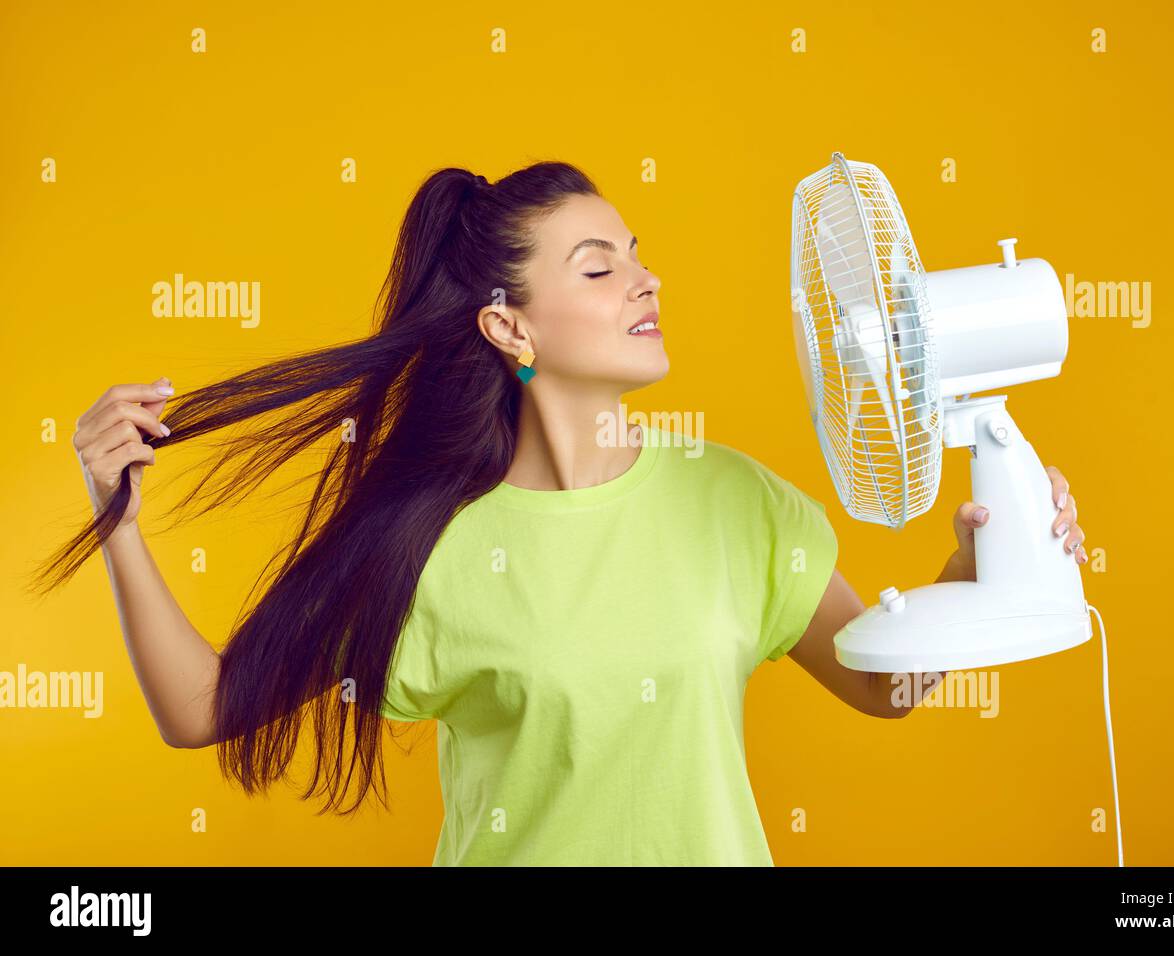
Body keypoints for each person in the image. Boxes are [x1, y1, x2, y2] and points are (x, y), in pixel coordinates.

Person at [35, 161, 1088, 865]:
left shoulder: (736, 501)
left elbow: (885, 684)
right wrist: (114, 518)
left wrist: (979, 573)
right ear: (507, 324)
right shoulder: (426, 541)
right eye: (601, 266)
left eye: (636, 251)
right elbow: (203, 707)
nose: (647, 279)